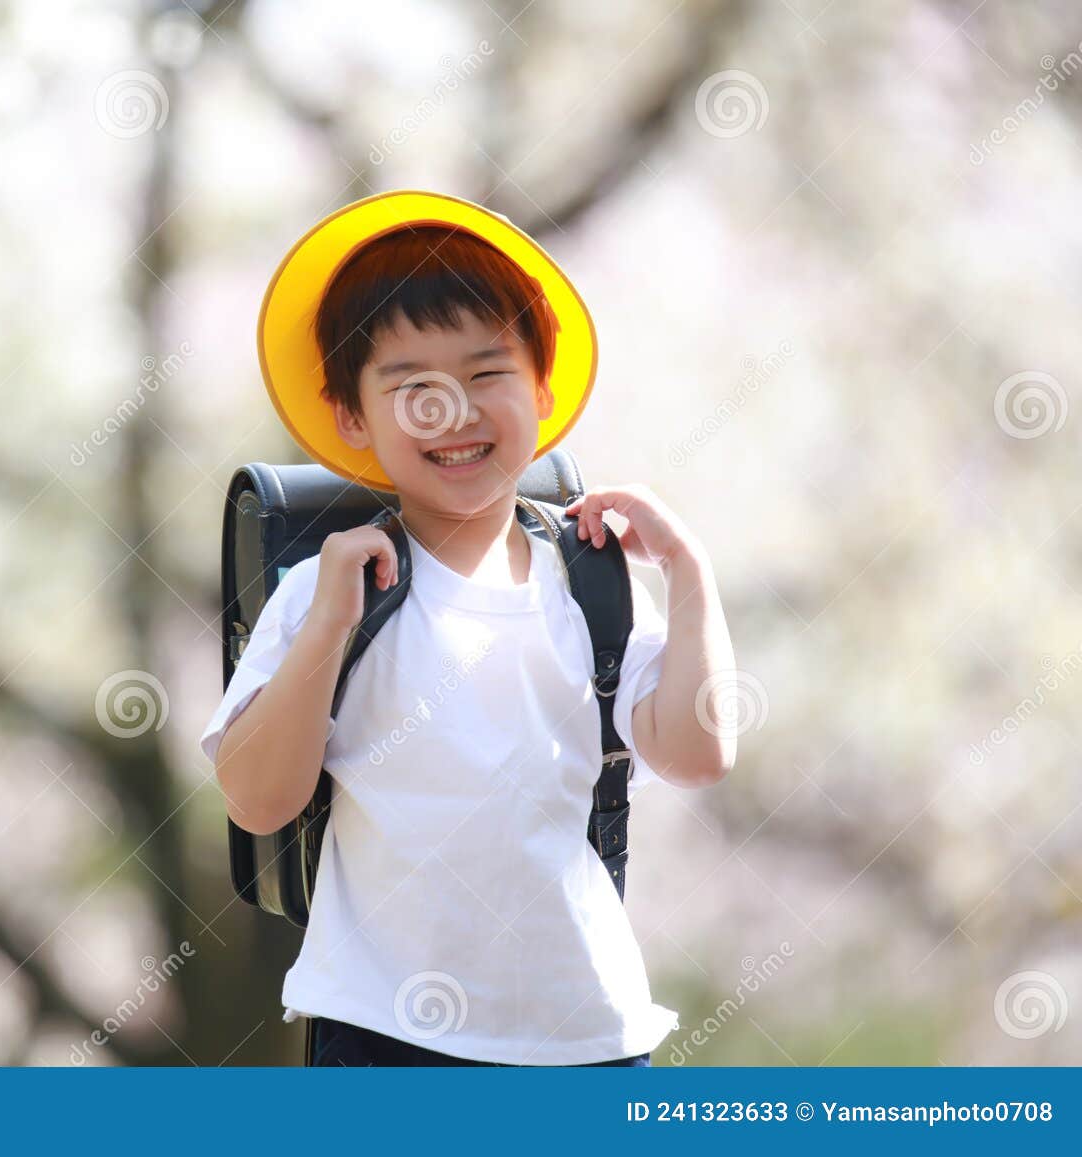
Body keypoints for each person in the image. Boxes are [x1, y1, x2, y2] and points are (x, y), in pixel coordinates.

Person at [200, 191, 736, 1067]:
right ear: (352, 416)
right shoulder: (328, 591)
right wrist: (330, 620)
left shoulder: (588, 584)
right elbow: (258, 797)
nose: (454, 412)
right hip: (389, 1040)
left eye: (487, 373)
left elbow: (699, 752)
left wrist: (688, 572)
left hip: (590, 1039)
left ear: (542, 386)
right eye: (412, 387)